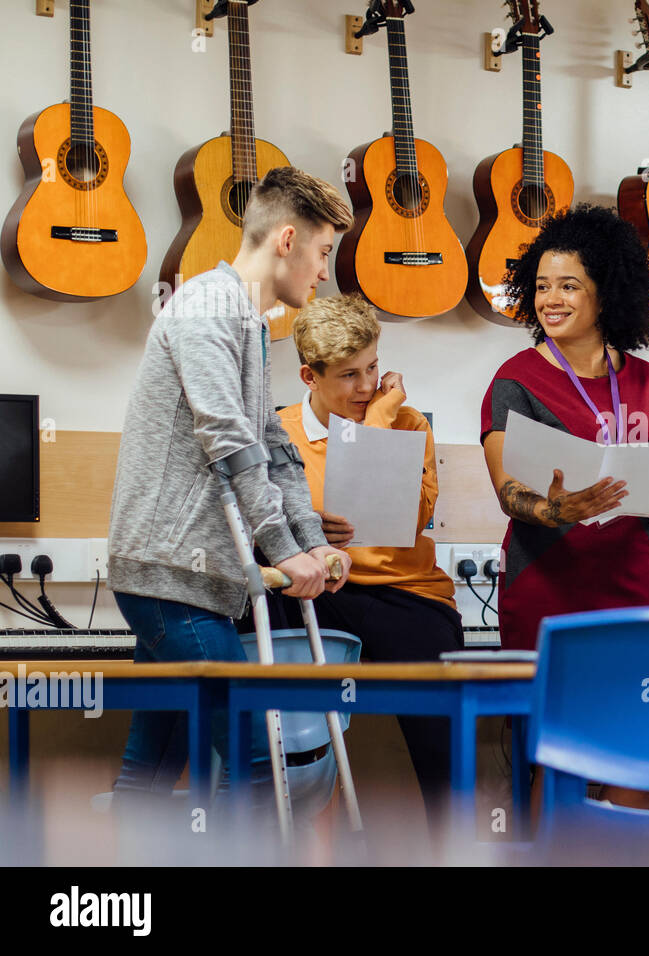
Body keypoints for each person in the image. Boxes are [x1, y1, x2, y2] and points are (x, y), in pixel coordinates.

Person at [107, 167, 354, 818]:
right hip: (168, 572)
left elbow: (271, 441)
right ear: (288, 239)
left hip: (185, 576)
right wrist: (282, 545)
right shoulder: (207, 307)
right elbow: (228, 438)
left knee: (153, 765)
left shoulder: (245, 319)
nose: (324, 273)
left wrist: (306, 540)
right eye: (324, 252)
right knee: (248, 751)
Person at [479, 203, 649, 812]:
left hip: (630, 589)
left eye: (569, 285)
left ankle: (614, 849)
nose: (551, 298)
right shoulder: (515, 379)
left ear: (608, 292)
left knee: (642, 747)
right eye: (542, 285)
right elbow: (509, 492)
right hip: (548, 593)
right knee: (562, 754)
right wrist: (559, 510)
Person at [261, 292, 463, 836]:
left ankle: (451, 844)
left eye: (373, 367)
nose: (368, 385)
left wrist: (374, 423)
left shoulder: (406, 421)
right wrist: (300, 532)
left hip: (407, 594)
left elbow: (411, 517)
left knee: (443, 738)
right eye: (350, 375)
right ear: (310, 376)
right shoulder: (277, 432)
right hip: (320, 593)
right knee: (271, 639)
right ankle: (292, 833)